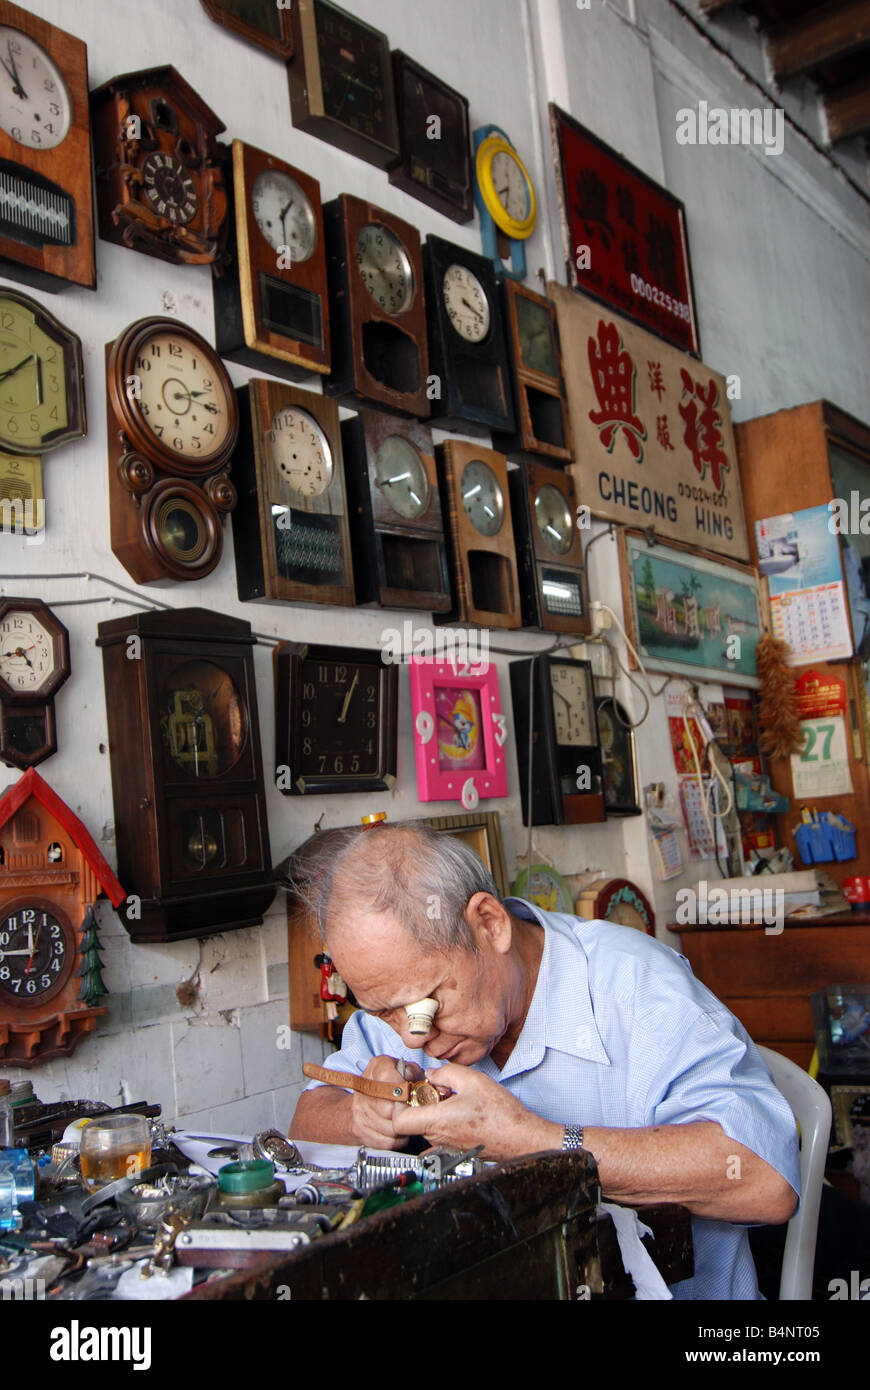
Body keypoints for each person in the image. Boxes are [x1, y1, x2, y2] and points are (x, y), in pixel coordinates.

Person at [287, 823, 800, 1300]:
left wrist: (535, 1141)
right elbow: (305, 1124)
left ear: (489, 925)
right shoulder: (402, 989)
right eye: (382, 1014)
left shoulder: (638, 986)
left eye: (426, 1008)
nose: (412, 1040)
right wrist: (362, 1115)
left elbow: (764, 1180)